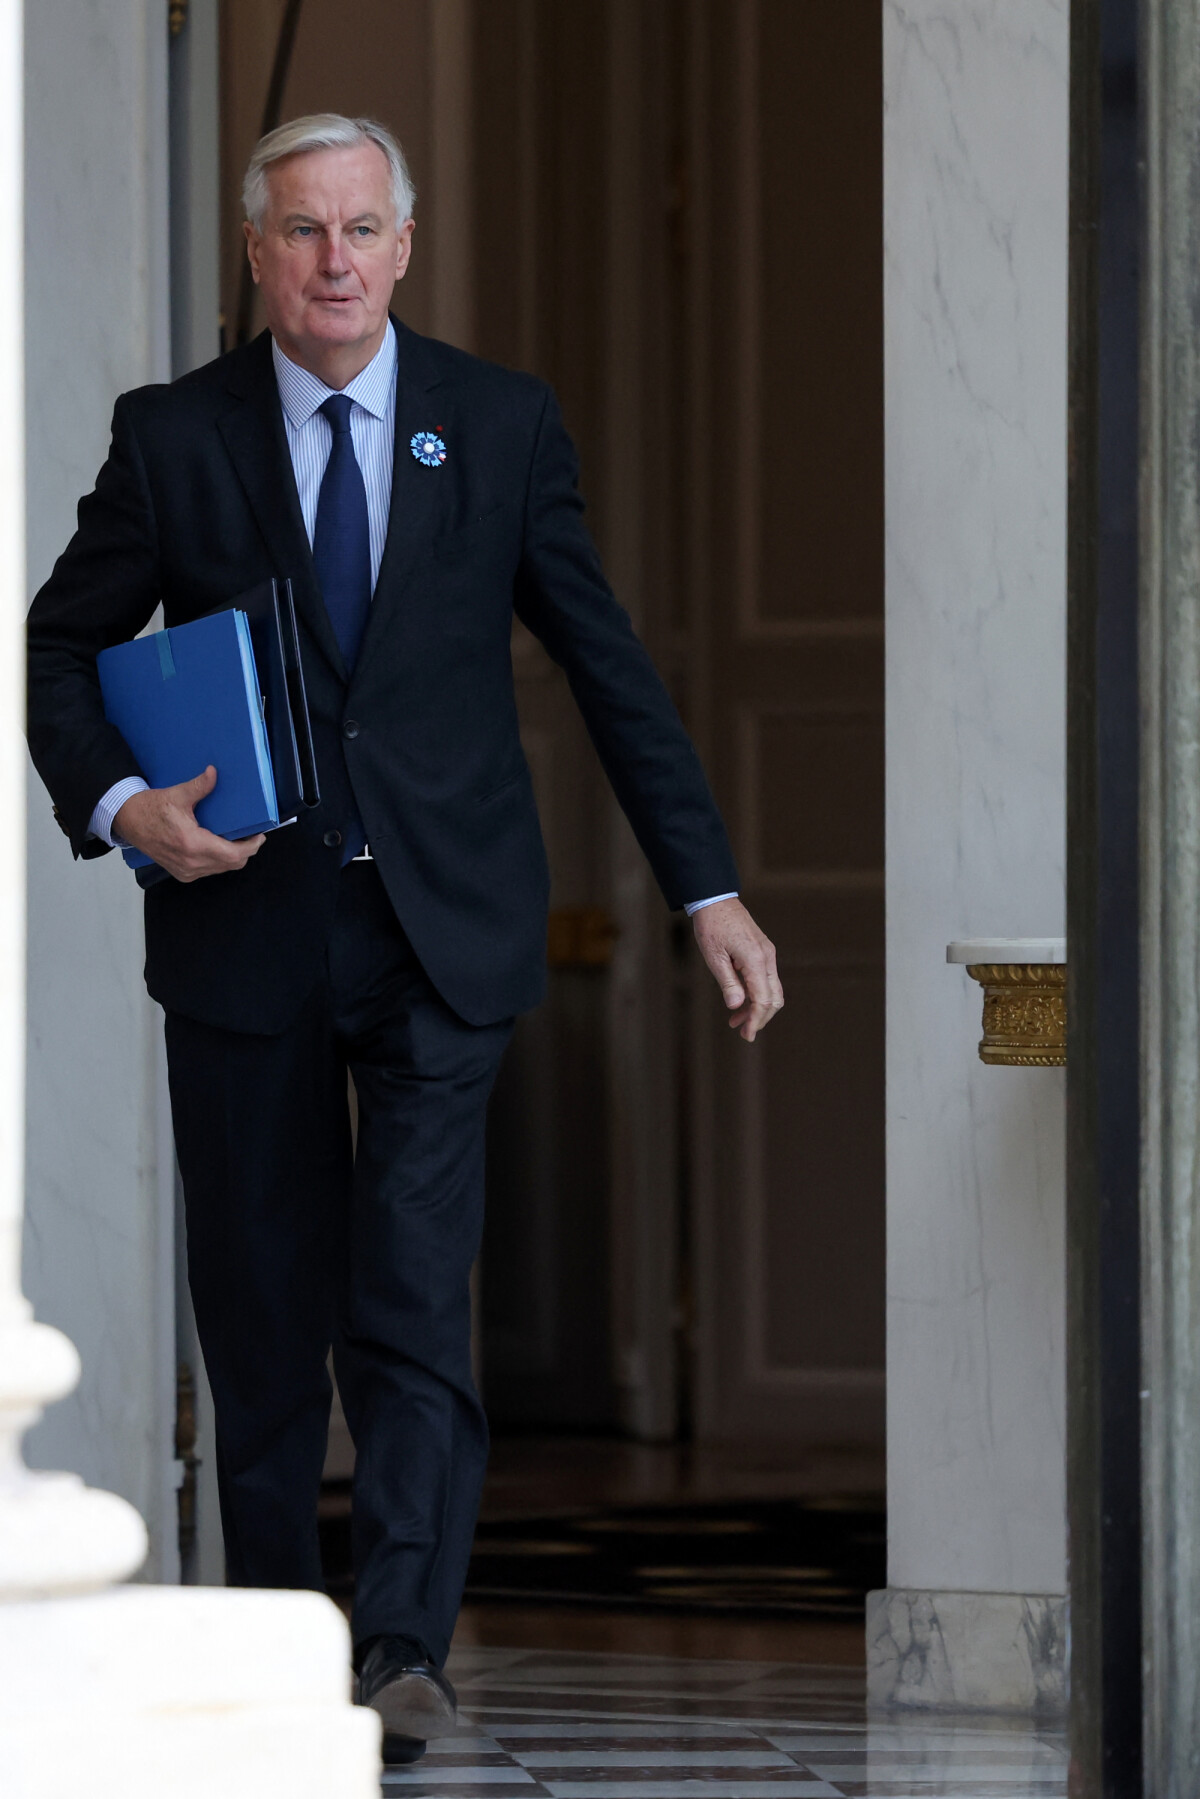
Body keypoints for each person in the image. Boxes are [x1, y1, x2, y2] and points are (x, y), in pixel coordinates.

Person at [25, 114, 783, 1764]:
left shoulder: (498, 424)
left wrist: (706, 888)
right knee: (259, 1312)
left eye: (363, 229)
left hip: (445, 936)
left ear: (407, 246)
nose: (336, 261)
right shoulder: (173, 437)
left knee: (414, 1301)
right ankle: (278, 1644)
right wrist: (127, 808)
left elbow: (606, 663)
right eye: (303, 231)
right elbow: (59, 646)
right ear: (256, 253)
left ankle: (402, 1651)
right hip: (245, 929)